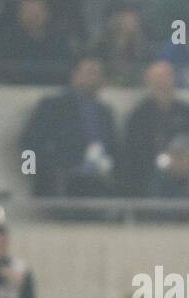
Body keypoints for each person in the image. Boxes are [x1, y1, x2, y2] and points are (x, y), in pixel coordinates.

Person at [20, 57, 117, 197]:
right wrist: (32, 175)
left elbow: (114, 148)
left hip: (100, 179)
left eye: (98, 74)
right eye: (90, 72)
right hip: (63, 179)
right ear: (75, 75)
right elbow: (28, 144)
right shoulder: (52, 106)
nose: (95, 78)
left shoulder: (105, 113)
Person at [120, 62, 189, 197]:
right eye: (158, 78)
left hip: (187, 172)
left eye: (167, 76)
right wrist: (166, 163)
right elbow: (133, 153)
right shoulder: (139, 115)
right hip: (150, 175)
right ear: (148, 82)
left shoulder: (186, 111)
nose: (163, 82)